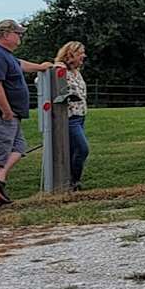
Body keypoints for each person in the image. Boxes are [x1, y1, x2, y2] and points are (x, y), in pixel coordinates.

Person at [0, 19, 53, 206]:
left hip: (9, 115)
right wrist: (6, 111)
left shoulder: (4, 55)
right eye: (18, 34)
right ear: (6, 34)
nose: (20, 37)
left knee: (19, 147)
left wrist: (41, 67)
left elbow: (20, 64)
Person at [55, 41, 90, 187]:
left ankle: (68, 180)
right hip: (70, 118)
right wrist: (57, 68)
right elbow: (41, 80)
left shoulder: (77, 72)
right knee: (82, 149)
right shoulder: (60, 70)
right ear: (71, 54)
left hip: (80, 116)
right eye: (81, 53)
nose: (84, 56)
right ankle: (74, 180)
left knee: (73, 150)